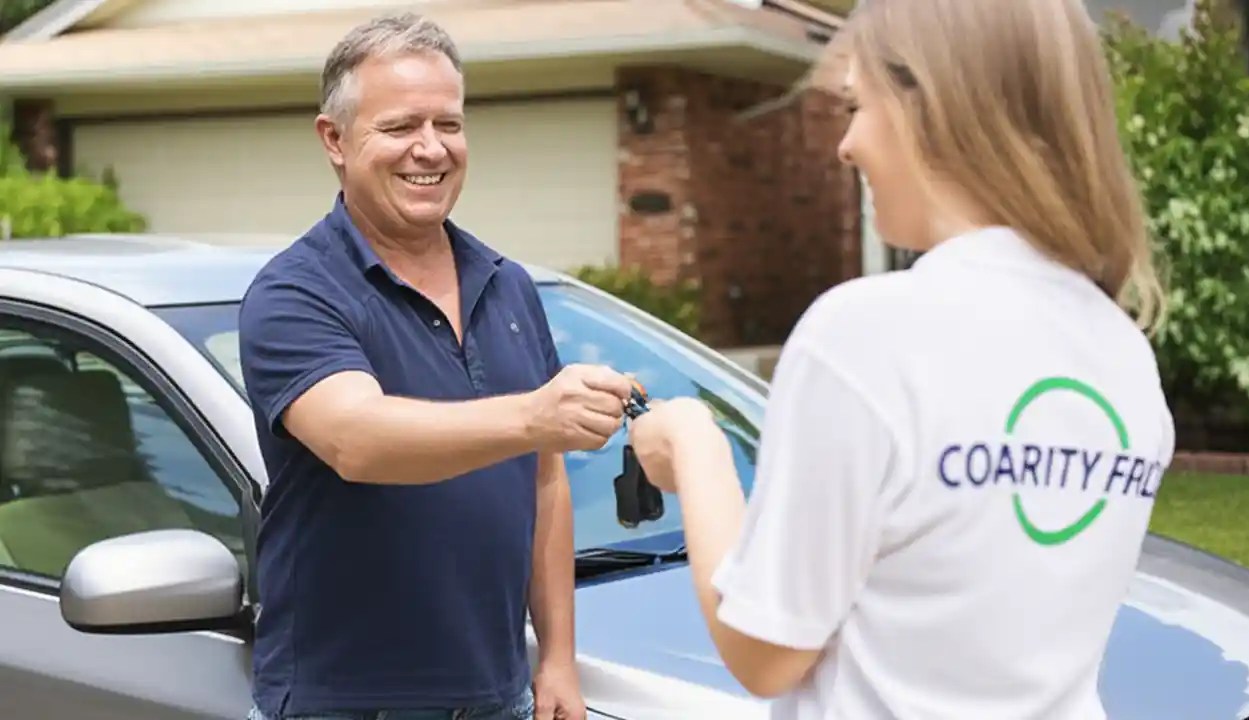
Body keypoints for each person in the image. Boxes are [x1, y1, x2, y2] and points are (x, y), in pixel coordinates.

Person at [629, 0, 1175, 718]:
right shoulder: (1123, 354)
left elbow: (763, 652)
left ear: (933, 104)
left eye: (857, 105)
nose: (845, 145)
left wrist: (693, 443)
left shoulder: (863, 336)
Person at [238, 13, 632, 720]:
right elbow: (357, 440)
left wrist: (559, 659)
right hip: (349, 704)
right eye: (399, 127)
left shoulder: (506, 283)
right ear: (335, 139)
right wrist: (536, 415)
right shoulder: (294, 292)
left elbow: (544, 482)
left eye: (448, 124)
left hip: (499, 698)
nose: (431, 149)